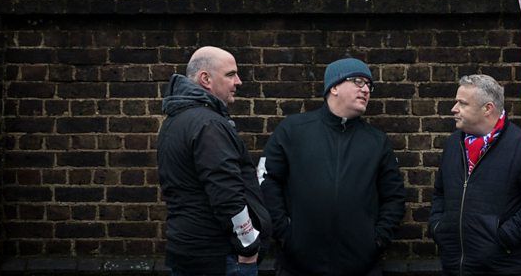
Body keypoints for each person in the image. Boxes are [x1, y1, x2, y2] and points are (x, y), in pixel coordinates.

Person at [261, 57, 406, 276]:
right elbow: (267, 181)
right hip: (297, 265)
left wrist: (376, 240)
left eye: (369, 85)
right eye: (358, 81)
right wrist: (286, 235)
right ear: (334, 87)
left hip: (361, 266)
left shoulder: (377, 141)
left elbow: (394, 196)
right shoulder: (292, 130)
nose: (366, 89)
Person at [157, 46, 270, 276]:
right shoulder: (209, 125)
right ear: (205, 79)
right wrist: (248, 245)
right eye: (231, 74)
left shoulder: (175, 121)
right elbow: (227, 193)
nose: (238, 81)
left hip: (189, 251)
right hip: (219, 257)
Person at [430, 74, 521, 276]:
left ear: (487, 108)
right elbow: (440, 193)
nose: (454, 109)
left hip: (503, 266)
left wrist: (502, 238)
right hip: (455, 266)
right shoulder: (453, 144)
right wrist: (438, 227)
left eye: (462, 103)